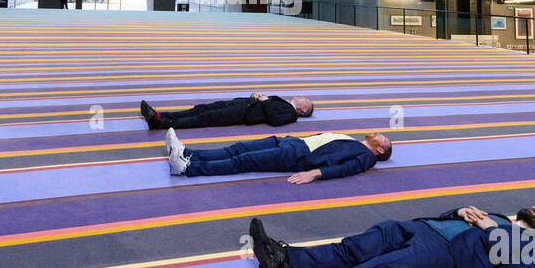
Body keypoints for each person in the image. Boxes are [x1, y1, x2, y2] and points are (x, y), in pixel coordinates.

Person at [247, 205, 535, 268]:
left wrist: (491, 230)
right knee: (352, 249)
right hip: (421, 228)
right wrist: (459, 211)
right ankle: (283, 258)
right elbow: (459, 217)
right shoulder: (504, 219)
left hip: (444, 255)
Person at [165, 128, 390, 181]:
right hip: (293, 143)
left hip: (297, 156)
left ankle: (186, 168)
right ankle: (187, 153)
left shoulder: (367, 157)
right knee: (239, 148)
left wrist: (315, 173)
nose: (379, 133)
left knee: (243, 161)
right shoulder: (353, 140)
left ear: (379, 150)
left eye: (383, 138)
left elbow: (346, 169)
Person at [139, 93, 313, 130]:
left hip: (242, 114)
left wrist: (265, 101)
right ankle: (160, 115)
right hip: (241, 104)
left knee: (204, 118)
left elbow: (274, 120)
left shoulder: (291, 115)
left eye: (305, 99)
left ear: (303, 109)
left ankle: (160, 123)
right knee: (201, 109)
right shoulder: (284, 102)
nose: (302, 96)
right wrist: (255, 95)